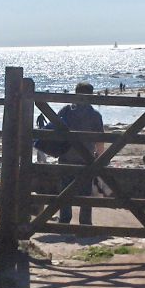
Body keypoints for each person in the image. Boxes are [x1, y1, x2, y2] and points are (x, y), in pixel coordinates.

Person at [55, 82, 105, 225]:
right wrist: (102, 158)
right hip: (86, 158)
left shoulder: (66, 111)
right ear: (92, 94)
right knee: (85, 192)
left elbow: (55, 131)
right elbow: (100, 140)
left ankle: (64, 221)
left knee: (65, 191)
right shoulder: (95, 115)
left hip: (66, 156)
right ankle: (85, 223)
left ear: (76, 93)